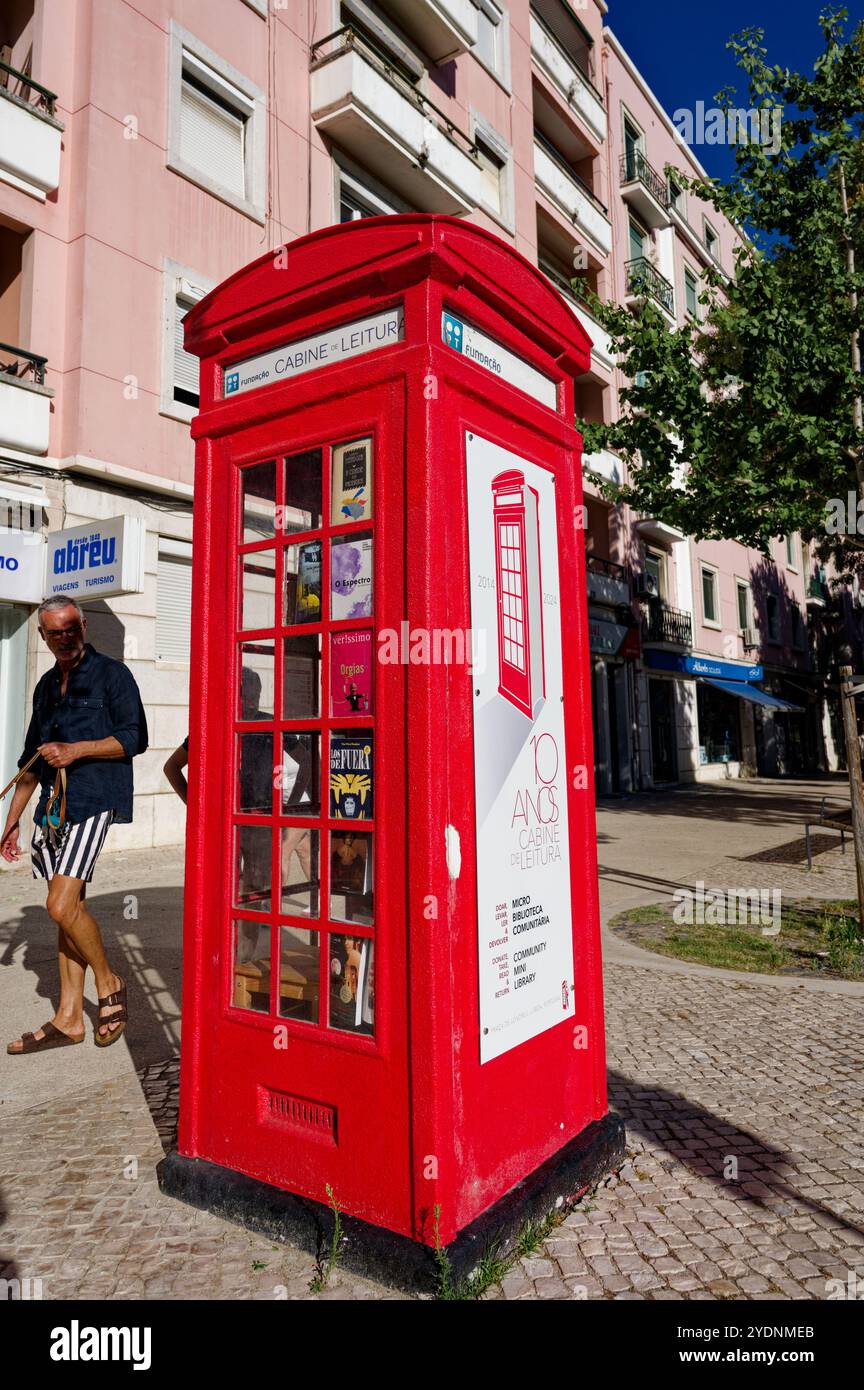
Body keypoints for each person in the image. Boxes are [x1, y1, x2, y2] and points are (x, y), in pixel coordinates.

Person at [2, 597, 148, 1053]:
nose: (64, 638)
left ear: (83, 625)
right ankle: (69, 1018)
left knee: (61, 906)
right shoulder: (46, 687)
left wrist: (76, 749)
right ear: (43, 636)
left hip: (94, 800)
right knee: (69, 915)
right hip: (53, 806)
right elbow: (31, 759)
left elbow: (135, 737)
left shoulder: (114, 675)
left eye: (70, 628)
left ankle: (109, 983)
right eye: (54, 632)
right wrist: (11, 823)